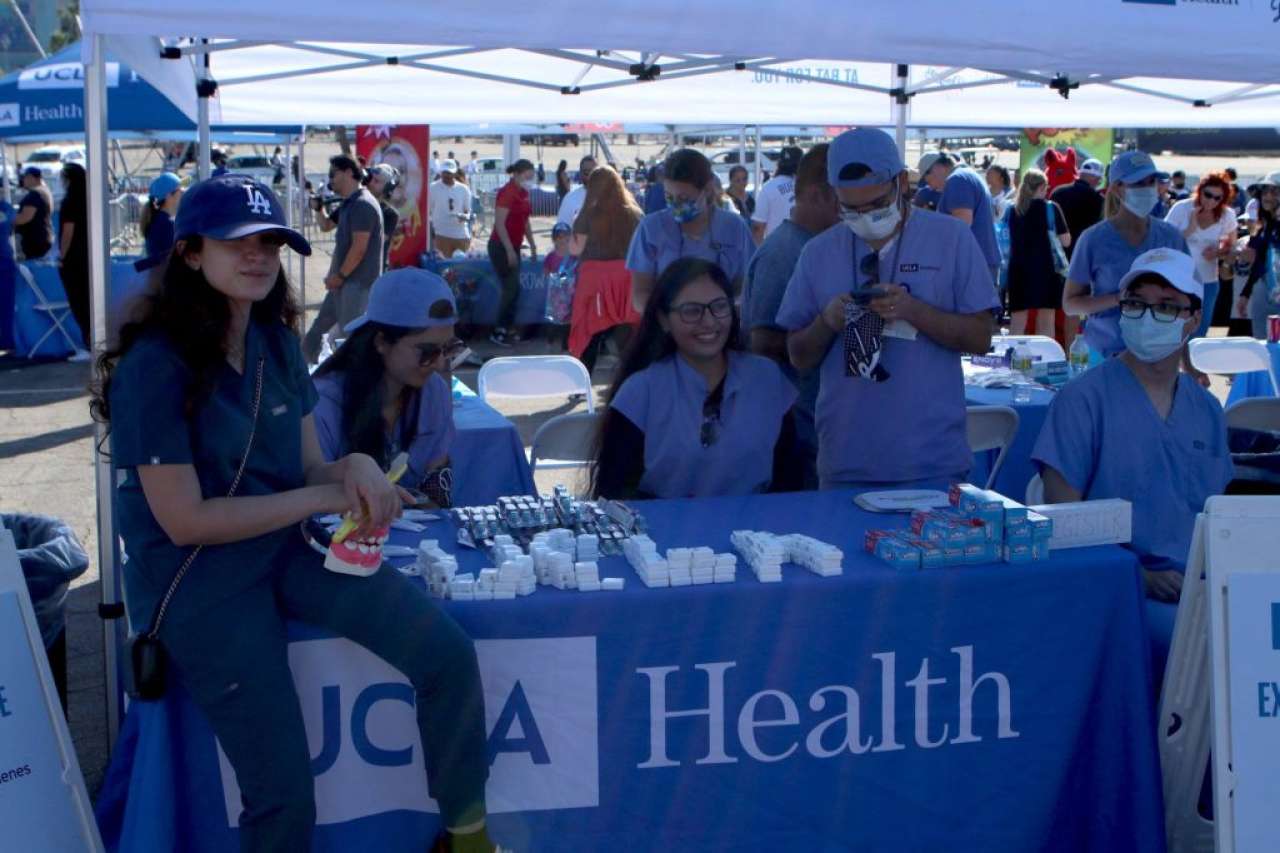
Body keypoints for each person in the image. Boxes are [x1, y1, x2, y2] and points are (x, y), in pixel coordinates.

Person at [89, 175, 498, 853]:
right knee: (282, 795)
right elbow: (184, 521)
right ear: (190, 251)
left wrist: (355, 467)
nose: (258, 256)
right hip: (198, 580)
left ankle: (468, 836)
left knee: (447, 656)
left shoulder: (276, 343)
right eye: (237, 242)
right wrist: (322, 496)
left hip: (285, 548)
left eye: (272, 243)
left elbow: (311, 467)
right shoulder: (152, 366)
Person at [1034, 247, 1232, 685]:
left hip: (1202, 586)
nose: (1148, 317)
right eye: (1137, 304)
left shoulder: (1205, 410)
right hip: (1116, 589)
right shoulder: (1083, 400)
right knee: (1209, 652)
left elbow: (1220, 515)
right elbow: (1063, 520)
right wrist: (1137, 574)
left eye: (1167, 307)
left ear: (1193, 319)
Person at [778, 128, 998, 490]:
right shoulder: (818, 253)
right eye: (851, 209)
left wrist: (914, 311)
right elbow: (798, 356)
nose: (866, 216)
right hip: (846, 462)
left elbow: (981, 337)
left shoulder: (951, 239)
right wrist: (827, 321)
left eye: (877, 204)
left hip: (930, 462)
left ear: (901, 183)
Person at [592, 258, 801, 499]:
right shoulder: (640, 392)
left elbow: (789, 481)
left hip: (757, 522)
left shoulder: (767, 379)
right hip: (663, 523)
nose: (709, 321)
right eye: (691, 311)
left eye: (719, 307)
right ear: (663, 319)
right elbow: (615, 495)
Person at [313, 269, 464, 507]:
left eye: (449, 348)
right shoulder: (322, 404)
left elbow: (437, 495)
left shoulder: (434, 392)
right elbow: (314, 506)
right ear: (381, 341)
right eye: (427, 352)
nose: (439, 364)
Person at [741, 144, 839, 489]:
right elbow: (762, 342)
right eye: (842, 199)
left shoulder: (815, 246)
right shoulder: (784, 252)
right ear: (816, 195)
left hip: (812, 420)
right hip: (795, 425)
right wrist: (827, 334)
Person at [1063, 151, 1187, 359]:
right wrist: (1118, 298)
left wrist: (1187, 362)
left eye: (1151, 182)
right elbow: (1070, 304)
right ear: (1117, 188)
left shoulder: (1171, 237)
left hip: (1159, 356)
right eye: (1138, 183)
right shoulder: (1093, 240)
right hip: (1106, 354)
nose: (1147, 189)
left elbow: (1189, 302)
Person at [626, 148, 755, 312]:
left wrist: (720, 310)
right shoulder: (650, 229)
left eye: (684, 198)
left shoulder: (735, 227)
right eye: (669, 197)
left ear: (707, 189)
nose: (675, 204)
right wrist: (666, 317)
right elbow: (640, 293)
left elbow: (747, 286)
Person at [302, 155, 384, 362]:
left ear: (348, 172)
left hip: (357, 285)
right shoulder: (350, 204)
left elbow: (359, 248)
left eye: (333, 174)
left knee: (351, 339)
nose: (330, 179)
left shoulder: (363, 205)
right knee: (318, 332)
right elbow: (325, 226)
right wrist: (318, 208)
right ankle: (301, 369)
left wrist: (339, 276)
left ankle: (354, 378)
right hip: (343, 284)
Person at [569, 166, 644, 374]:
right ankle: (629, 378)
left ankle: (583, 379)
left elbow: (575, 250)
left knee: (590, 333)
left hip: (594, 280)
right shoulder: (634, 213)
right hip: (626, 278)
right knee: (627, 332)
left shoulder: (587, 214)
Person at [1164, 171, 1237, 341]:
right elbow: (1165, 240)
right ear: (1199, 190)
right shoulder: (1182, 208)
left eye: (1217, 198)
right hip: (1178, 280)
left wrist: (1218, 252)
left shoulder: (1227, 215)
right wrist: (1190, 229)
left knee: (1200, 332)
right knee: (1175, 329)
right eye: (1208, 195)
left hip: (1208, 281)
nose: (1211, 201)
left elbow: (1232, 245)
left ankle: (1192, 359)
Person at [1004, 169, 1071, 341]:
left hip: (1018, 271)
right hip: (1046, 271)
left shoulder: (1012, 210)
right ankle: (1045, 356)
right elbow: (1066, 241)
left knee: (1017, 323)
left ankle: (1013, 355)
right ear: (1041, 187)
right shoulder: (1051, 208)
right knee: (1046, 321)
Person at [919, 151, 1003, 284]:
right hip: (981, 263)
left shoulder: (957, 181)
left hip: (974, 267)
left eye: (927, 180)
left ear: (937, 167)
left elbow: (961, 225)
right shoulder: (967, 175)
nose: (930, 186)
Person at [488, 159, 538, 347]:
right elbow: (499, 224)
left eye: (532, 177)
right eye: (527, 177)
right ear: (516, 174)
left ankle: (507, 327)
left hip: (514, 246)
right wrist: (509, 250)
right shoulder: (507, 192)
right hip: (500, 246)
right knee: (511, 288)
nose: (529, 180)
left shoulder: (524, 193)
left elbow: (525, 221)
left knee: (514, 289)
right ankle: (499, 330)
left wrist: (532, 245)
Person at [1236, 170, 1280, 338]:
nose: (1267, 196)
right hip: (1264, 290)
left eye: (1275, 192)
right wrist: (1245, 294)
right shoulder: (1263, 227)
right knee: (1262, 343)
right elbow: (1259, 262)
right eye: (1265, 191)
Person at [58, 163, 91, 350]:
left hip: (74, 259)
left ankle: (88, 344)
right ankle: (92, 343)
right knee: (89, 302)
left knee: (79, 303)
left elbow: (68, 232)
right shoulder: (90, 199)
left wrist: (62, 255)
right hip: (89, 255)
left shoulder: (70, 201)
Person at [1050, 158, 1105, 259]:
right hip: (1083, 255)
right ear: (1094, 177)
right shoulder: (1098, 200)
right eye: (1099, 180)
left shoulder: (1057, 192)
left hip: (1056, 254)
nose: (1098, 183)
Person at [751, 146, 803, 243]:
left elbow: (758, 227)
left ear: (779, 164)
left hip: (776, 247)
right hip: (803, 247)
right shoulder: (809, 187)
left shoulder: (768, 188)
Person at [429, 160, 473, 258]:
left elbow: (468, 211)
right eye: (444, 172)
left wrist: (464, 217)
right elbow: (429, 210)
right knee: (443, 265)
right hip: (441, 234)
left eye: (449, 173)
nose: (447, 175)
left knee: (461, 265)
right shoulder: (433, 188)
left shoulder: (464, 189)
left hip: (461, 235)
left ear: (454, 173)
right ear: (441, 172)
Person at [365, 163, 402, 269]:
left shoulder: (390, 214)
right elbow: (326, 225)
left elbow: (375, 243)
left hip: (375, 269)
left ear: (386, 188)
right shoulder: (357, 204)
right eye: (371, 179)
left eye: (377, 181)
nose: (371, 183)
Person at [141, 172, 184, 261]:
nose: (183, 192)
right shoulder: (167, 224)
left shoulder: (158, 220)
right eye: (179, 190)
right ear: (169, 196)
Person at [13, 166, 53, 261]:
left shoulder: (35, 194)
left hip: (35, 240)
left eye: (24, 177)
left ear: (31, 177)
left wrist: (6, 220)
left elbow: (24, 218)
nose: (23, 180)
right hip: (43, 237)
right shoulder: (44, 191)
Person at [555, 155, 597, 227]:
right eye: (586, 172)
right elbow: (562, 228)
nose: (590, 176)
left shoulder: (609, 197)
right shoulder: (570, 198)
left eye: (594, 172)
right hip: (563, 193)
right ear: (580, 173)